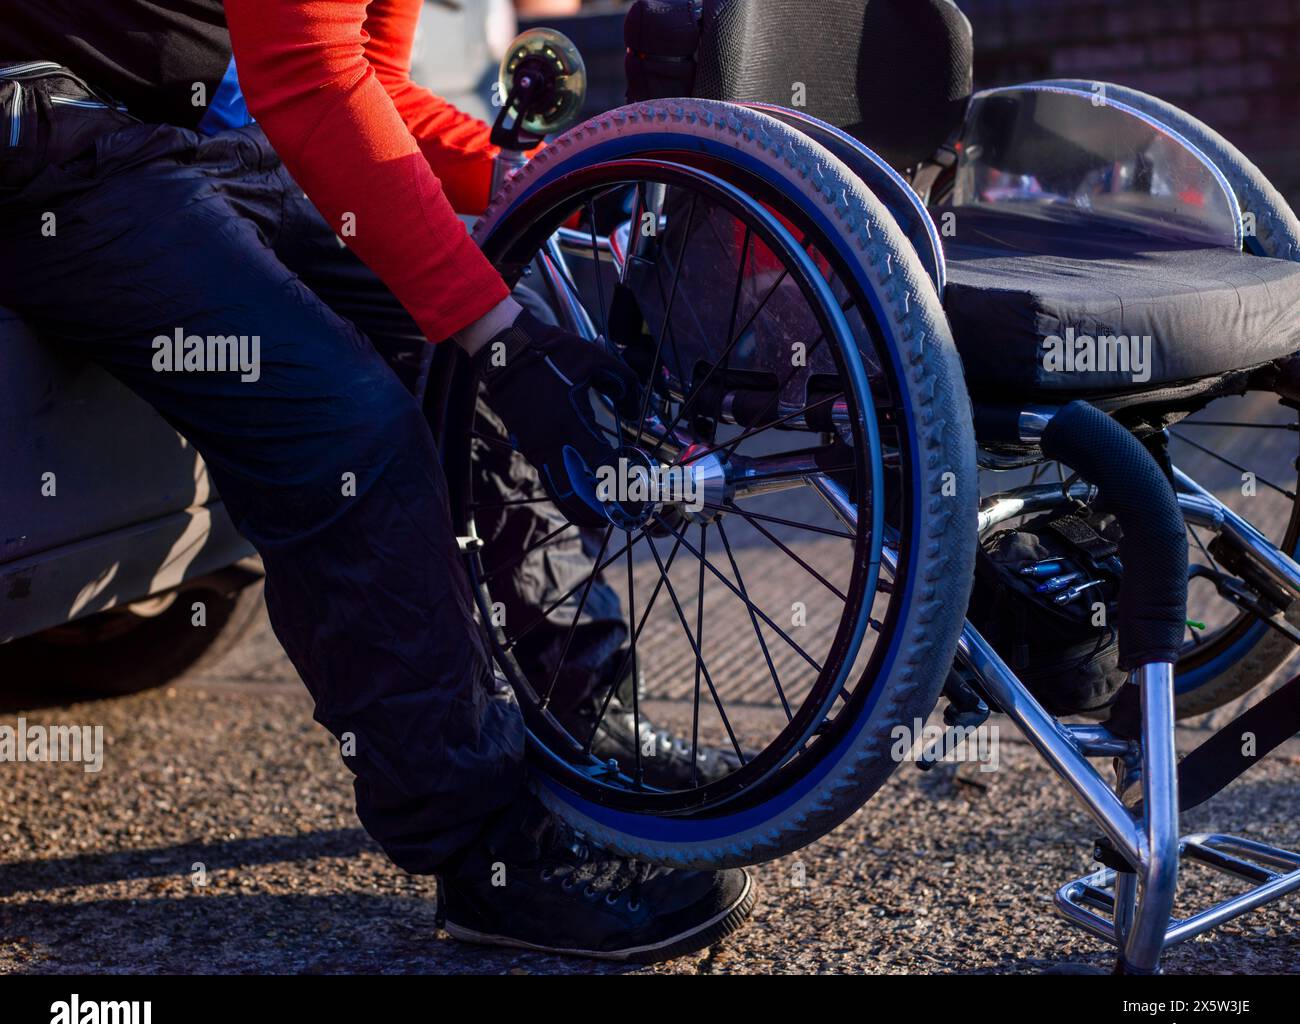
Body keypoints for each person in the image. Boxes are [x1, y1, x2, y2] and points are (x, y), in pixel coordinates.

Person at [0, 0, 753, 961]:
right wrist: (501, 335)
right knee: (347, 424)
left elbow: (370, 80)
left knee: (464, 367)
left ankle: (577, 710)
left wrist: (525, 180)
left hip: (199, 134)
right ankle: (485, 850)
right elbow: (304, 74)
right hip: (49, 144)